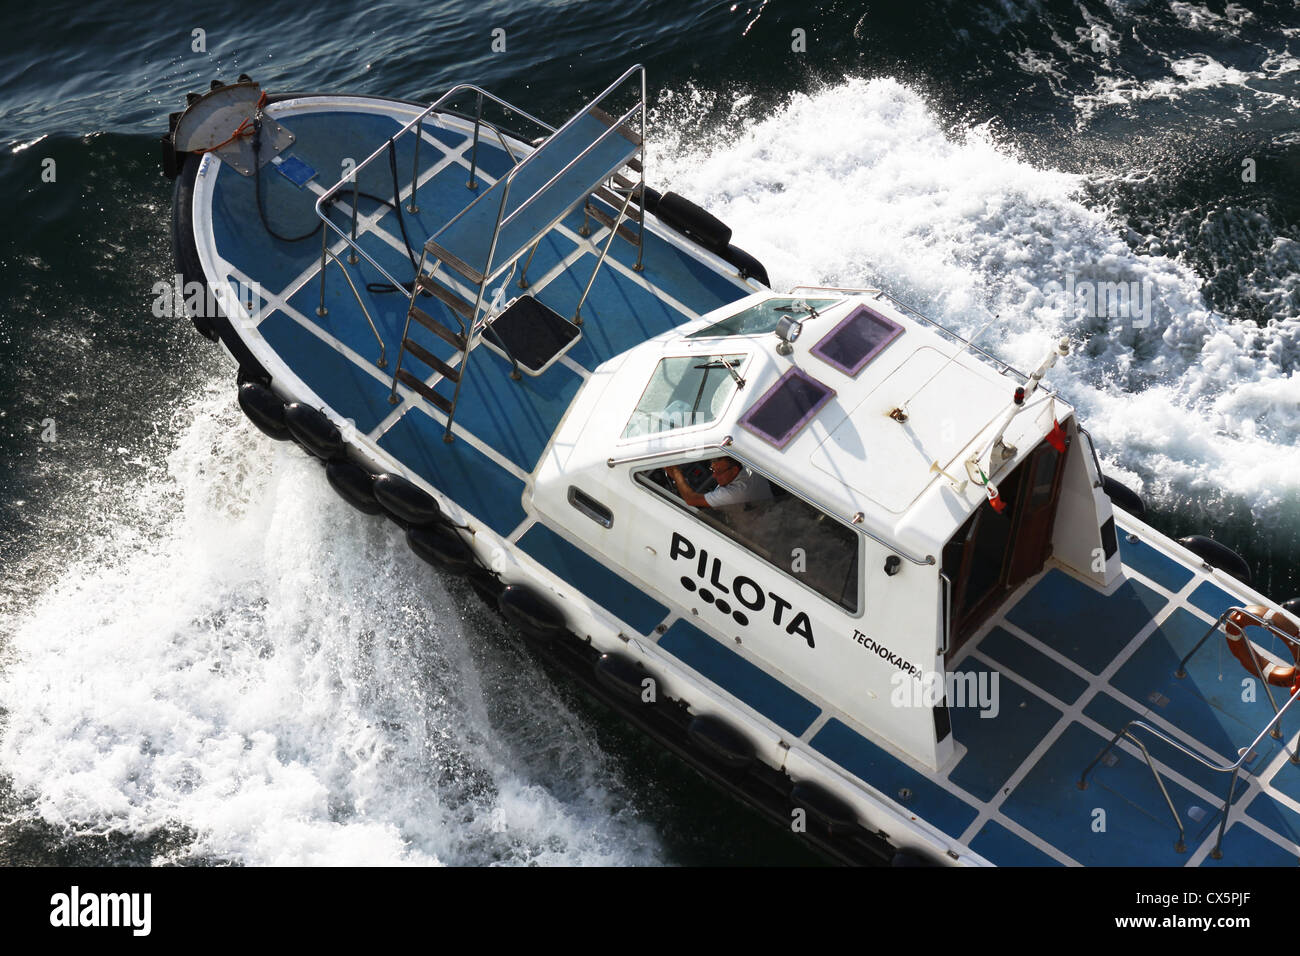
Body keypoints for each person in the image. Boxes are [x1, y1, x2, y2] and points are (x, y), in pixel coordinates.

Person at [665, 457, 773, 509]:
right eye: (713, 470)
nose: (714, 476)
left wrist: (676, 472)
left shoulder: (736, 492)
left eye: (719, 472)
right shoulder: (747, 466)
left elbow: (691, 500)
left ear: (734, 470)